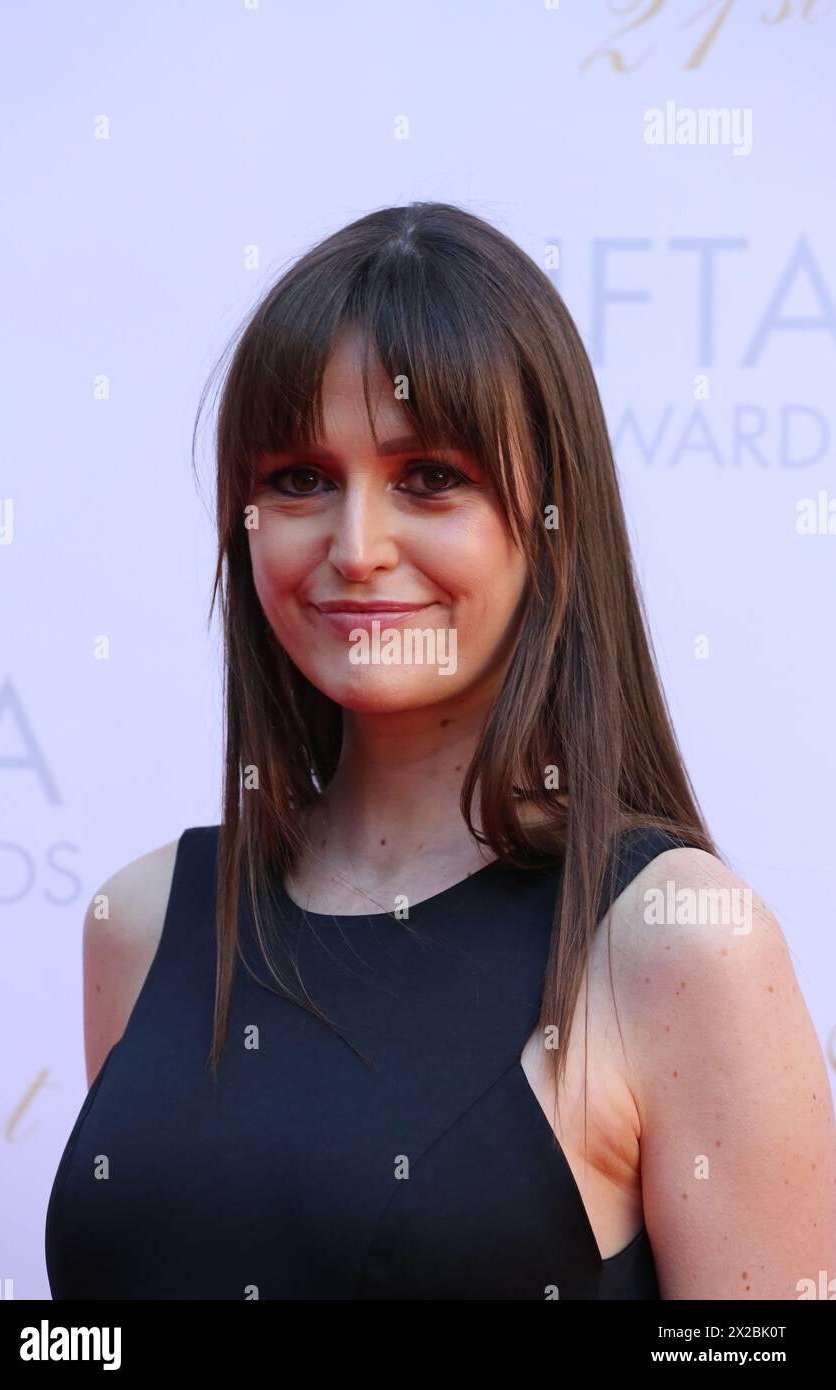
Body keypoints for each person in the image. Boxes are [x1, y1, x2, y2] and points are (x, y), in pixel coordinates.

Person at [46, 202, 836, 1300]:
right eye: (298, 478)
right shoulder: (141, 924)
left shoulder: (678, 944)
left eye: (427, 478)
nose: (355, 548)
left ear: (551, 517)